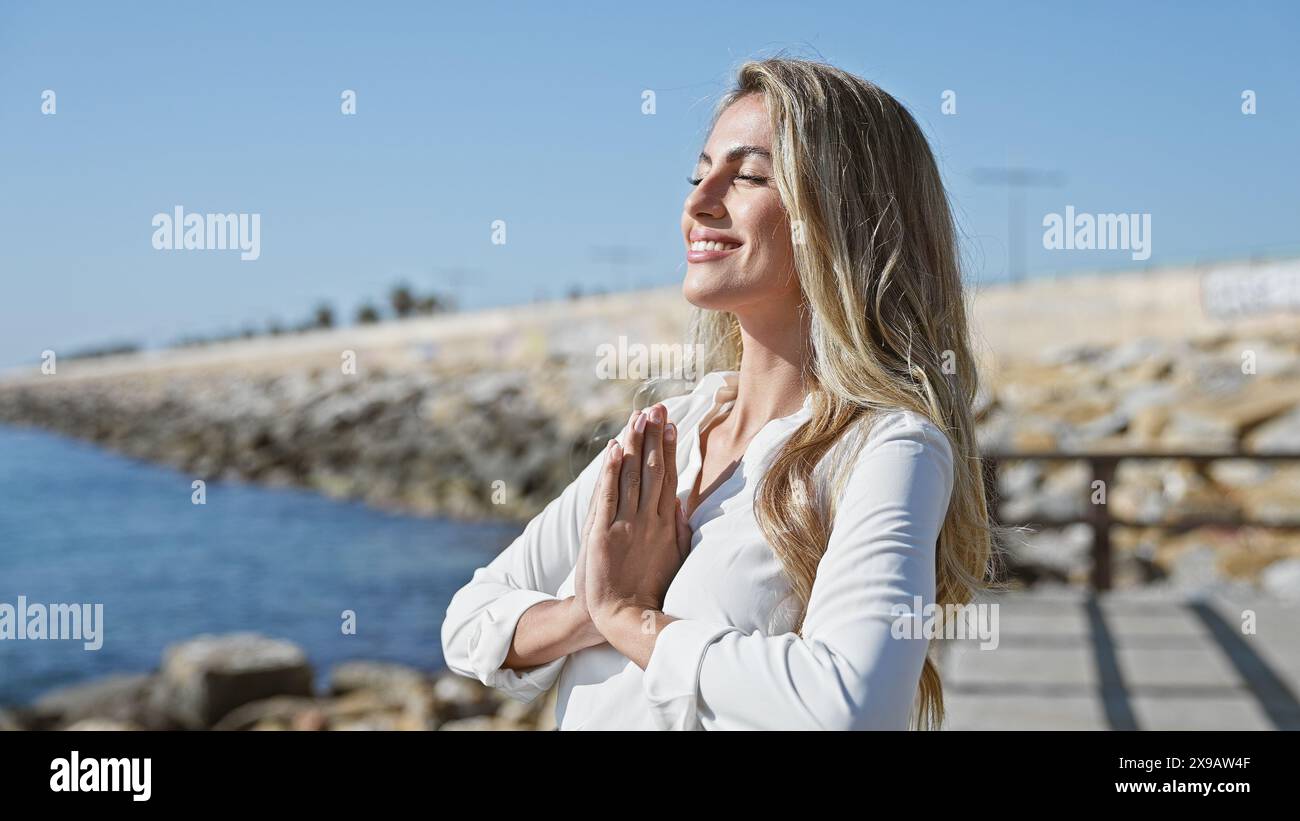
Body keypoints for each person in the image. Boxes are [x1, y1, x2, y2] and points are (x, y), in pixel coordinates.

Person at [441, 57, 997, 730]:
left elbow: (851, 703)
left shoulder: (888, 448)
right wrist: (588, 612)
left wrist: (632, 618)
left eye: (751, 176)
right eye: (699, 173)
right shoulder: (665, 432)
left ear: (847, 219)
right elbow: (469, 620)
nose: (699, 202)